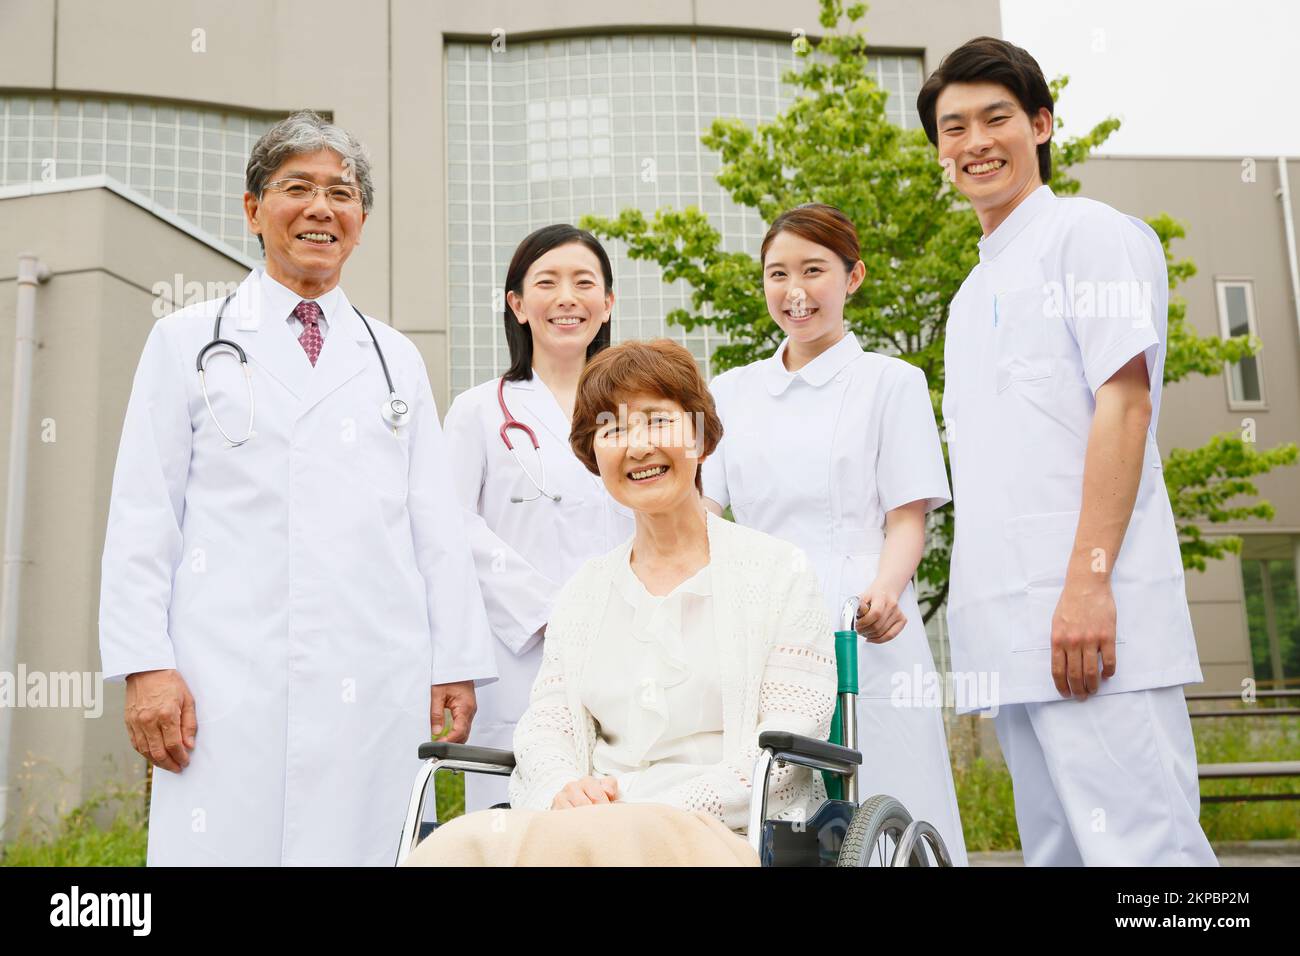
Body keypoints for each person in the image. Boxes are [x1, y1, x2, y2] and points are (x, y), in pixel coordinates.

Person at [98, 110, 497, 866]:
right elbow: (144, 514)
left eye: (341, 193)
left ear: (361, 221)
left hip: (373, 672)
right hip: (226, 673)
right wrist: (145, 665)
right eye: (298, 188)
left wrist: (455, 662)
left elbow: (436, 528)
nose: (322, 208)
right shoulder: (186, 341)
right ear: (254, 209)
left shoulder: (395, 358)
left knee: (365, 846)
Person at [917, 36, 1216, 865]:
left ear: (1042, 125)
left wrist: (1086, 582)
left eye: (996, 119)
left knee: (1147, 856)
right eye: (953, 128)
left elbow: (1126, 403)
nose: (975, 142)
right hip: (1011, 635)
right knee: (1056, 853)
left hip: (1093, 617)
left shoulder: (1089, 235)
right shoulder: (971, 296)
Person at [403, 340, 837, 866]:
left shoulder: (778, 572)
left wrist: (651, 810)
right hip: (591, 827)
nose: (638, 446)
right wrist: (563, 788)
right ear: (594, 457)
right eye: (613, 430)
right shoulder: (585, 592)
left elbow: (786, 742)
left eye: (658, 421)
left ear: (701, 439)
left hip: (725, 830)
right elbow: (547, 726)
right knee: (454, 846)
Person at [700, 203, 968, 866]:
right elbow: (703, 509)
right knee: (773, 805)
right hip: (761, 623)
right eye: (777, 273)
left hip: (863, 620)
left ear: (853, 277)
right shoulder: (731, 392)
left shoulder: (891, 383)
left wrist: (886, 590)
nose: (795, 290)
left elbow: (906, 516)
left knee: (887, 790)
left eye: (813, 270)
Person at [442, 225, 635, 813]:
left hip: (629, 639)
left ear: (608, 303)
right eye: (547, 283)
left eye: (584, 283)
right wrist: (553, 612)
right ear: (518, 305)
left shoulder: (638, 408)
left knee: (622, 818)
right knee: (518, 823)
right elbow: (452, 527)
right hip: (521, 651)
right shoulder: (478, 411)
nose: (567, 298)